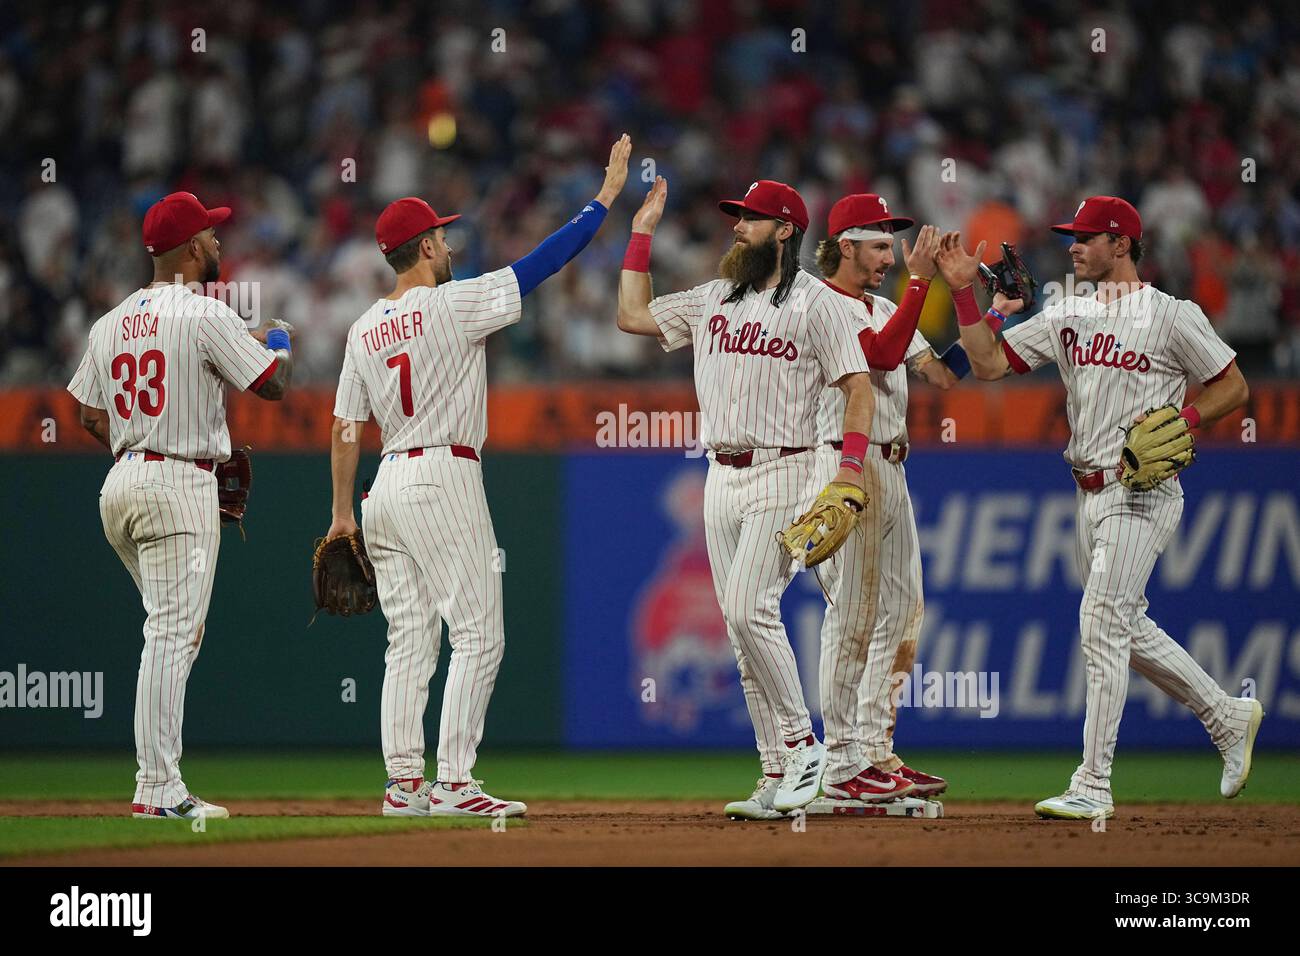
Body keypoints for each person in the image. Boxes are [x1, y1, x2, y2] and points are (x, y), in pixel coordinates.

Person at [327, 136, 632, 818]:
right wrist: (604, 199)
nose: (447, 242)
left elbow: (345, 428)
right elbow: (542, 263)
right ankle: (456, 781)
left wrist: (342, 512)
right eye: (440, 233)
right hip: (442, 474)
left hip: (384, 489)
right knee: (479, 633)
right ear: (426, 247)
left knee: (408, 641)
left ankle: (404, 786)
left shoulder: (362, 328)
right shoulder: (454, 302)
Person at [937, 195, 1263, 819]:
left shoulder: (1172, 315)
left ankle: (1093, 783)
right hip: (1087, 492)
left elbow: (1234, 386)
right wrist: (962, 294)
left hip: (1142, 490)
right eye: (1072, 236)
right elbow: (985, 364)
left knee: (1101, 620)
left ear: (1123, 244)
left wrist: (1185, 419)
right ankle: (1226, 716)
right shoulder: (1068, 314)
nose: (1073, 246)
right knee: (1122, 625)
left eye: (1087, 237)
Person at [616, 177, 875, 818]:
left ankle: (801, 744)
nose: (737, 226)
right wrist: (641, 232)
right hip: (720, 475)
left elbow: (859, 389)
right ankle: (775, 770)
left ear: (786, 231)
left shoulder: (819, 304)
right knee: (737, 627)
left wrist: (847, 471)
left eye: (752, 219)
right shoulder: (714, 298)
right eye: (738, 216)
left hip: (786, 469)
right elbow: (632, 315)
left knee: (746, 605)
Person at [67, 191, 294, 819]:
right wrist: (279, 341)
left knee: (172, 632)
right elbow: (272, 384)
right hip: (178, 484)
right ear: (193, 248)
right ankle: (158, 789)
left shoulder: (109, 321)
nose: (219, 244)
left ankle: (156, 783)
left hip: (122, 486)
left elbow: (88, 413)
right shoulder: (203, 313)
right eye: (212, 236)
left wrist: (138, 444)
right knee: (171, 634)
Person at [812, 194, 958, 803]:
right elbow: (880, 355)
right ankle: (840, 763)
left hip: (892, 465)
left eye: (891, 246)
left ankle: (875, 752)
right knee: (855, 612)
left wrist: (990, 313)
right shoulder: (820, 302)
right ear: (843, 246)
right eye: (877, 246)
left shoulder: (882, 304)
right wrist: (920, 283)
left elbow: (942, 374)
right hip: (847, 461)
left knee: (903, 613)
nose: (888, 256)